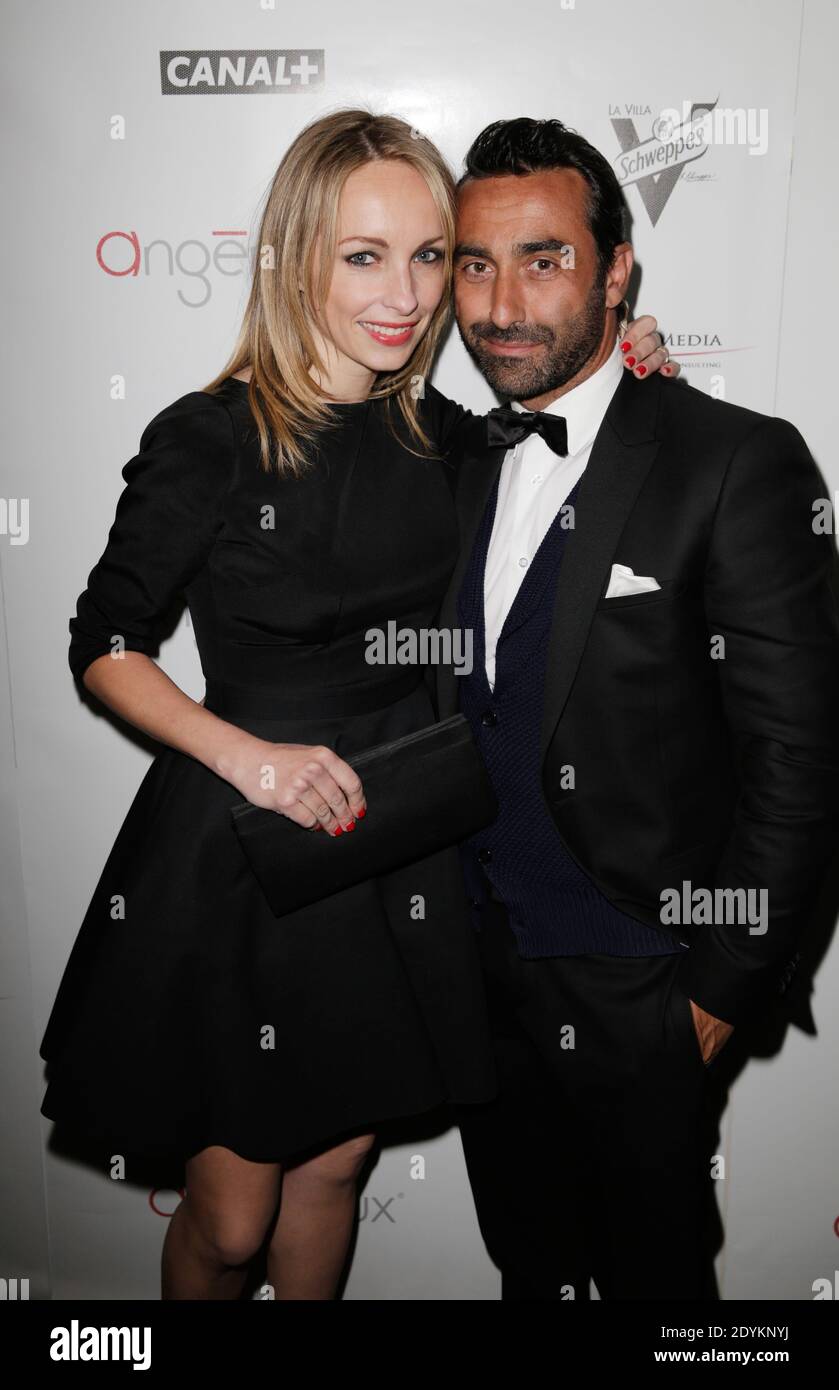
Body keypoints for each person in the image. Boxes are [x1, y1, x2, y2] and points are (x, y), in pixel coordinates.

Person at [38, 108, 671, 1301]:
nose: (406, 292)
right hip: (249, 843)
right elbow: (105, 643)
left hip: (398, 852)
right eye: (362, 255)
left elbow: (579, 459)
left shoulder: (447, 439)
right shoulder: (210, 439)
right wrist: (251, 761)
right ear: (296, 256)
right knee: (227, 1219)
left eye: (429, 255)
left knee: (330, 1176)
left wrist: (631, 370)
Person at [423, 116, 839, 1300]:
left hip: (643, 981)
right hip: (480, 978)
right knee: (532, 1270)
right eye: (472, 261)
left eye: (543, 259)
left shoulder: (732, 462)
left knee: (659, 1289)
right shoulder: (449, 460)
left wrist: (714, 995)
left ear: (616, 272)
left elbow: (801, 759)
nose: (500, 303)